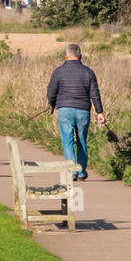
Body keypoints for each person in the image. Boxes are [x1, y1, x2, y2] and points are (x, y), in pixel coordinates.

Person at [45, 43, 105, 182]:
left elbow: (51, 92)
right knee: (82, 141)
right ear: (80, 56)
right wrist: (99, 112)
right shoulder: (88, 72)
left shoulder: (58, 71)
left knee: (68, 141)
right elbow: (95, 94)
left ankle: (72, 169)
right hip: (83, 110)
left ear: (66, 55)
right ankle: (82, 172)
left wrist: (52, 104)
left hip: (64, 109)